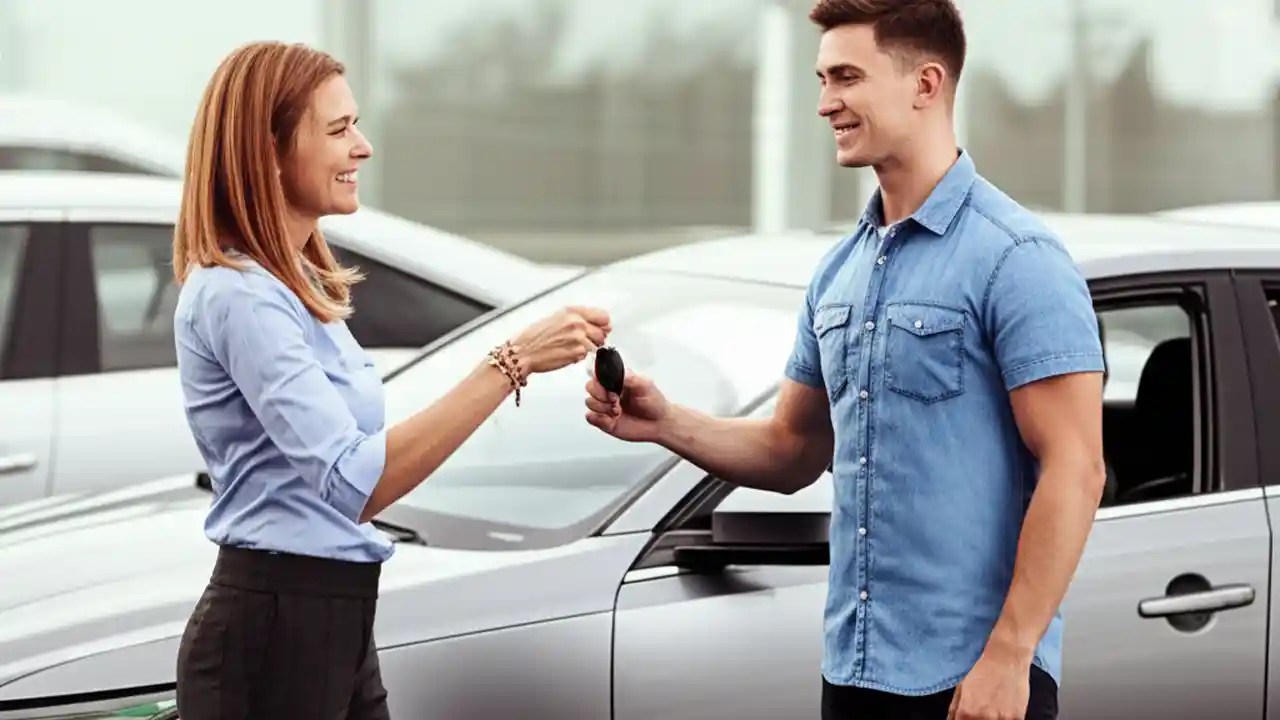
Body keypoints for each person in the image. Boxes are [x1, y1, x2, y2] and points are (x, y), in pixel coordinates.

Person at [584, 1, 1105, 719]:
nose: (825, 103)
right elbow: (793, 448)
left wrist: (1011, 655)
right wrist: (665, 422)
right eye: (822, 80)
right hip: (855, 672)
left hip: (976, 678)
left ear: (925, 84)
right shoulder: (840, 270)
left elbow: (1076, 468)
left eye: (847, 78)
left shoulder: (1017, 258)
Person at [170, 41, 610, 719]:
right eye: (338, 129)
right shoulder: (240, 295)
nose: (363, 146)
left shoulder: (294, 284)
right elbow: (354, 481)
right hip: (276, 632)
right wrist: (512, 362)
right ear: (268, 151)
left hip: (331, 616)